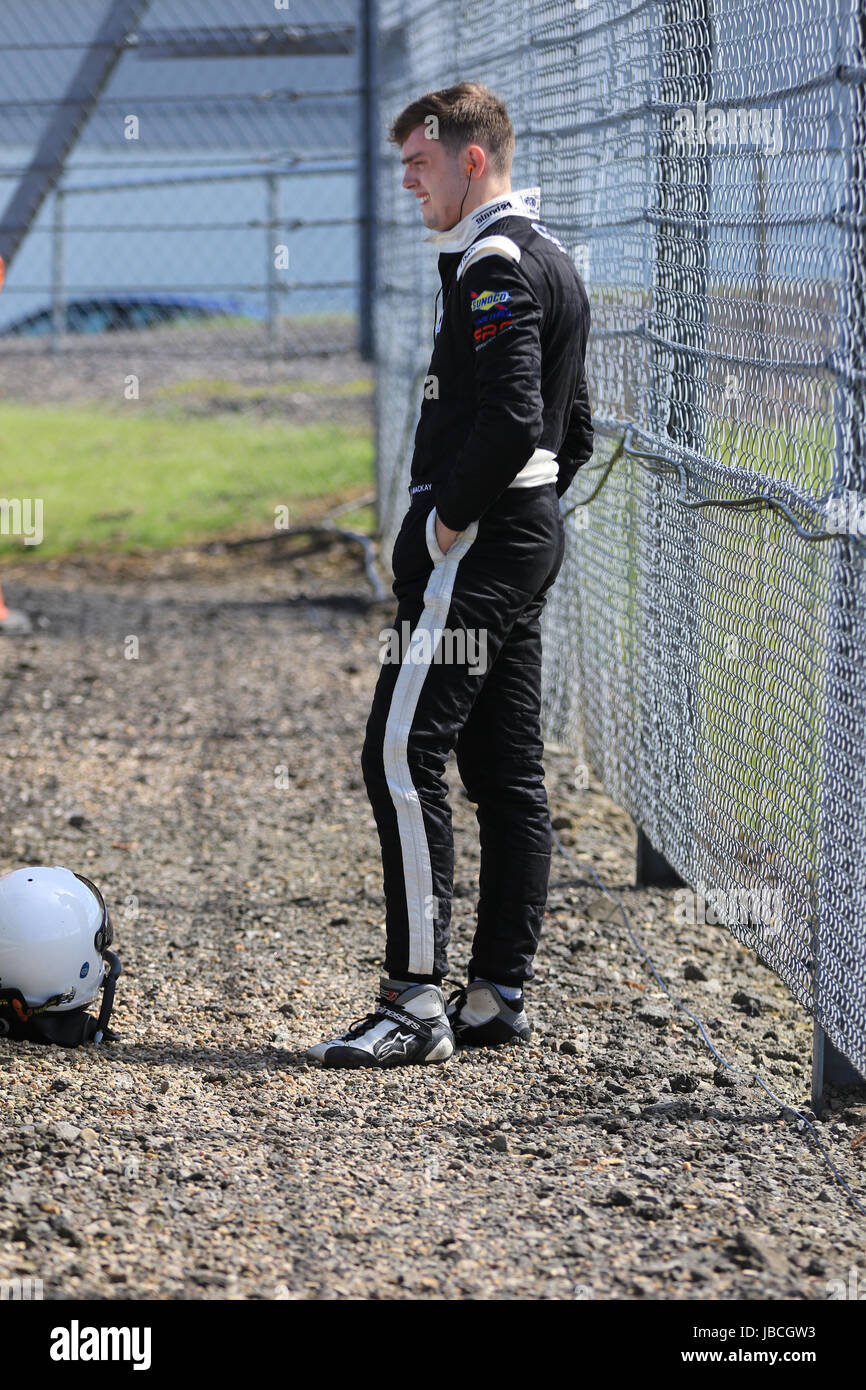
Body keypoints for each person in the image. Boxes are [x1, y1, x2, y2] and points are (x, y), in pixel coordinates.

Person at [306, 81, 593, 1068]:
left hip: (479, 548)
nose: (407, 183)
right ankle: (495, 996)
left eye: (419, 164)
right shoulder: (551, 255)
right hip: (524, 536)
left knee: (398, 753)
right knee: (505, 774)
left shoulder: (494, 262)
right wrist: (526, 519)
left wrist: (446, 525)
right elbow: (574, 429)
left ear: (472, 161)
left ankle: (414, 1002)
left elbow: (516, 419)